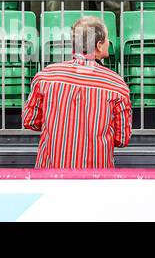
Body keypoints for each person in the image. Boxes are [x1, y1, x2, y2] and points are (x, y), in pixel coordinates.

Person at [23, 16, 131, 169]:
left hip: (50, 175)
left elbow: (30, 121)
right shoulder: (117, 85)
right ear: (99, 45)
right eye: (107, 39)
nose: (109, 43)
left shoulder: (45, 76)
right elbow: (122, 139)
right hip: (97, 178)